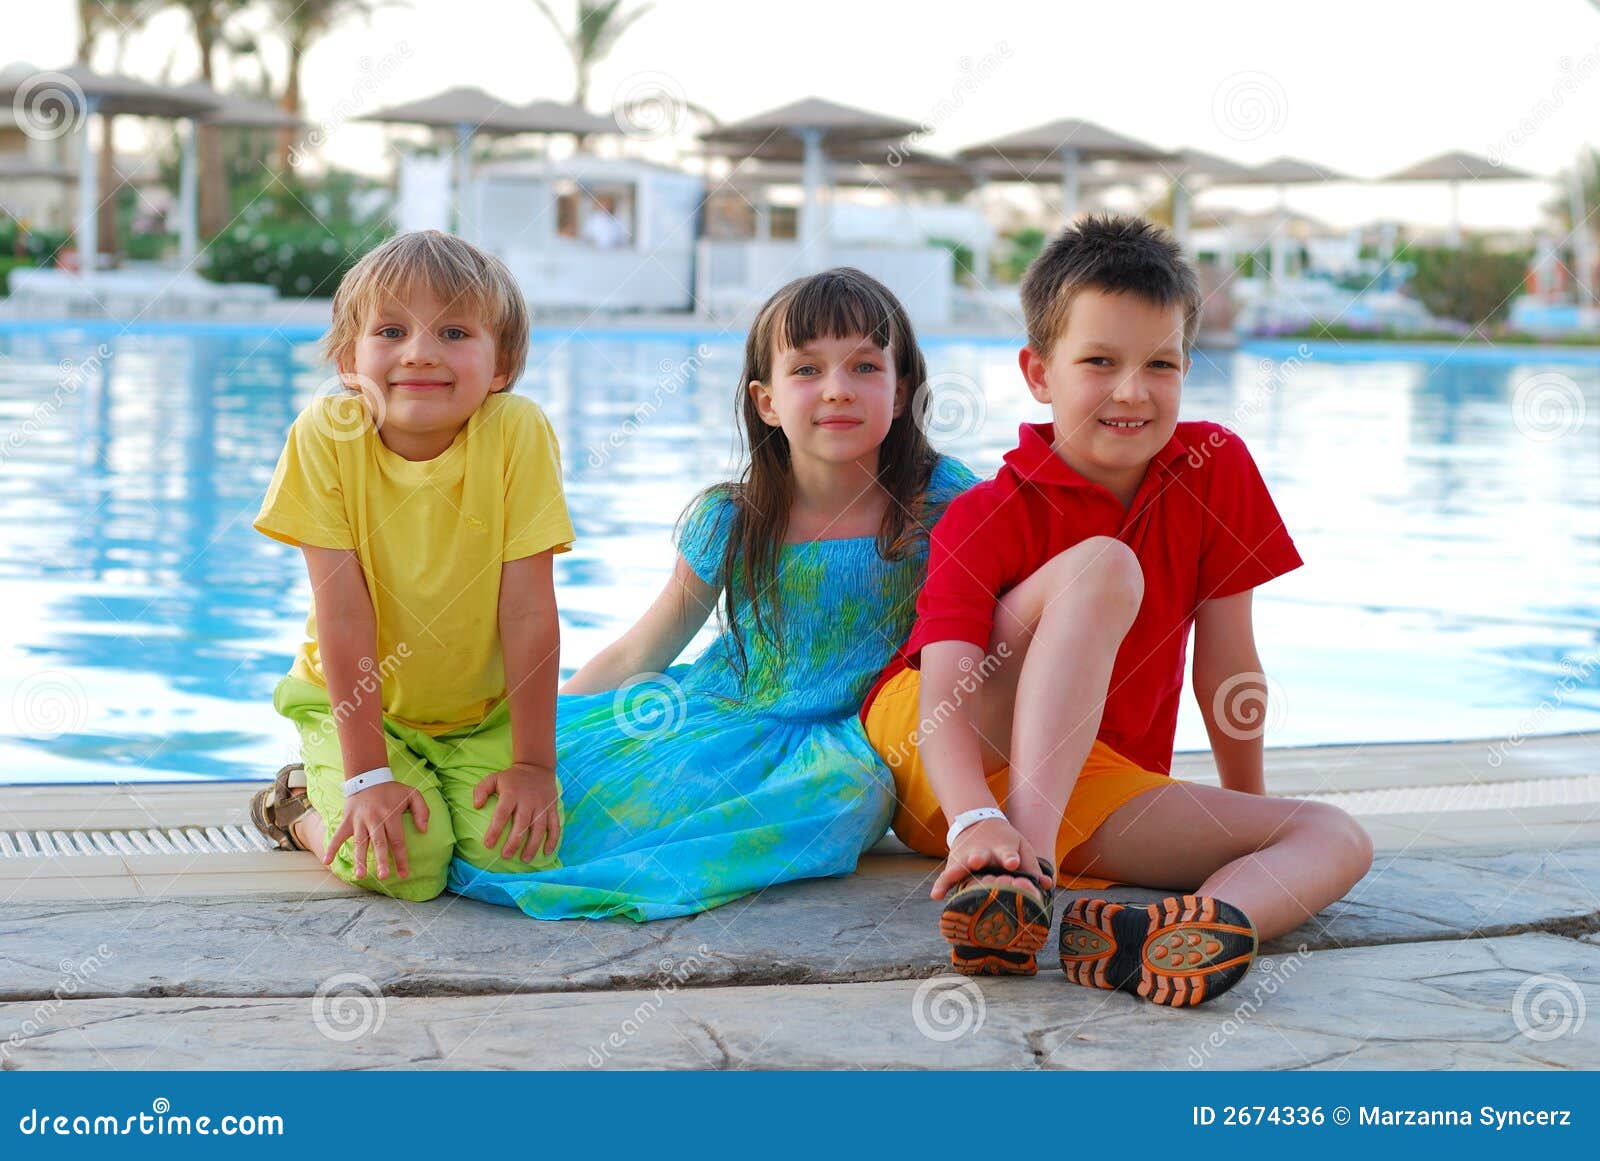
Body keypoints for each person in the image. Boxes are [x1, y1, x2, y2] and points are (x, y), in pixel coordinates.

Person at [860, 214, 1373, 1006]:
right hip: (941, 755)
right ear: (1039, 372)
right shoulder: (984, 515)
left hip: (1089, 776)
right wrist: (972, 819)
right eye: (1100, 361)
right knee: (1104, 567)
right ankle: (1024, 871)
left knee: (1334, 834)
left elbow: (1229, 667)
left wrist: (1254, 810)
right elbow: (944, 687)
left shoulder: (1215, 468)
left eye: (1159, 364)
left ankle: (1178, 932)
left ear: (1187, 367)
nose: (1132, 390)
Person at [449, 267, 978, 920]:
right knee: (595, 786)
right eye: (807, 370)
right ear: (766, 401)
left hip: (849, 737)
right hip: (725, 712)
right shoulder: (733, 518)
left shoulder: (940, 502)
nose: (838, 389)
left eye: (865, 367)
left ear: (900, 393)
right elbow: (643, 648)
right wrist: (547, 730)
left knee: (852, 796)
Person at [249, 229, 575, 902]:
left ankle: (439, 786)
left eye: (454, 333)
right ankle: (297, 809)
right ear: (349, 358)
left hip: (478, 715)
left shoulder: (517, 431)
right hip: (357, 708)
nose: (420, 352)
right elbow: (344, 616)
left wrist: (533, 765)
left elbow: (527, 609)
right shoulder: (326, 435)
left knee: (515, 859)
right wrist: (368, 778)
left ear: (502, 364)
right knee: (405, 867)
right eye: (391, 331)